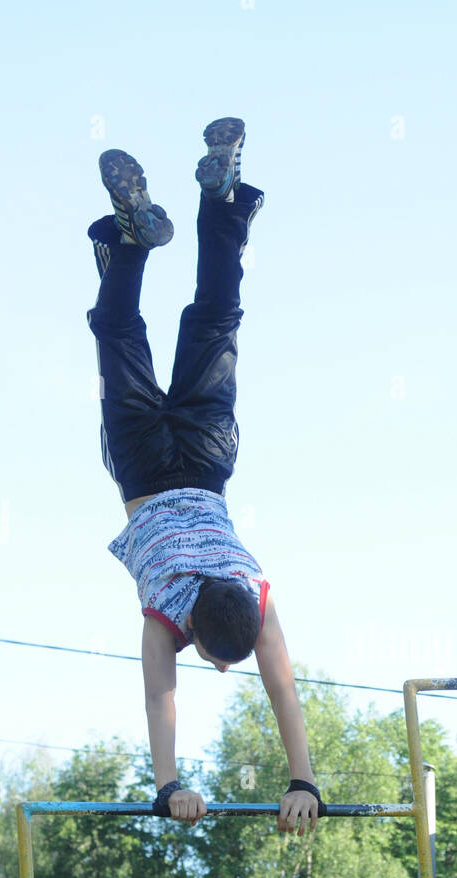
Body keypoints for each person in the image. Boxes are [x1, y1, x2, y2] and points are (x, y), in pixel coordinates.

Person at [87, 119, 320, 830]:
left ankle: (220, 201)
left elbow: (284, 688)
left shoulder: (255, 589)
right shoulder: (164, 618)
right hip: (145, 473)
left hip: (209, 458)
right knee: (118, 337)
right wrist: (169, 786)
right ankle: (127, 244)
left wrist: (304, 780)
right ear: (199, 638)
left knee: (216, 321)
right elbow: (162, 698)